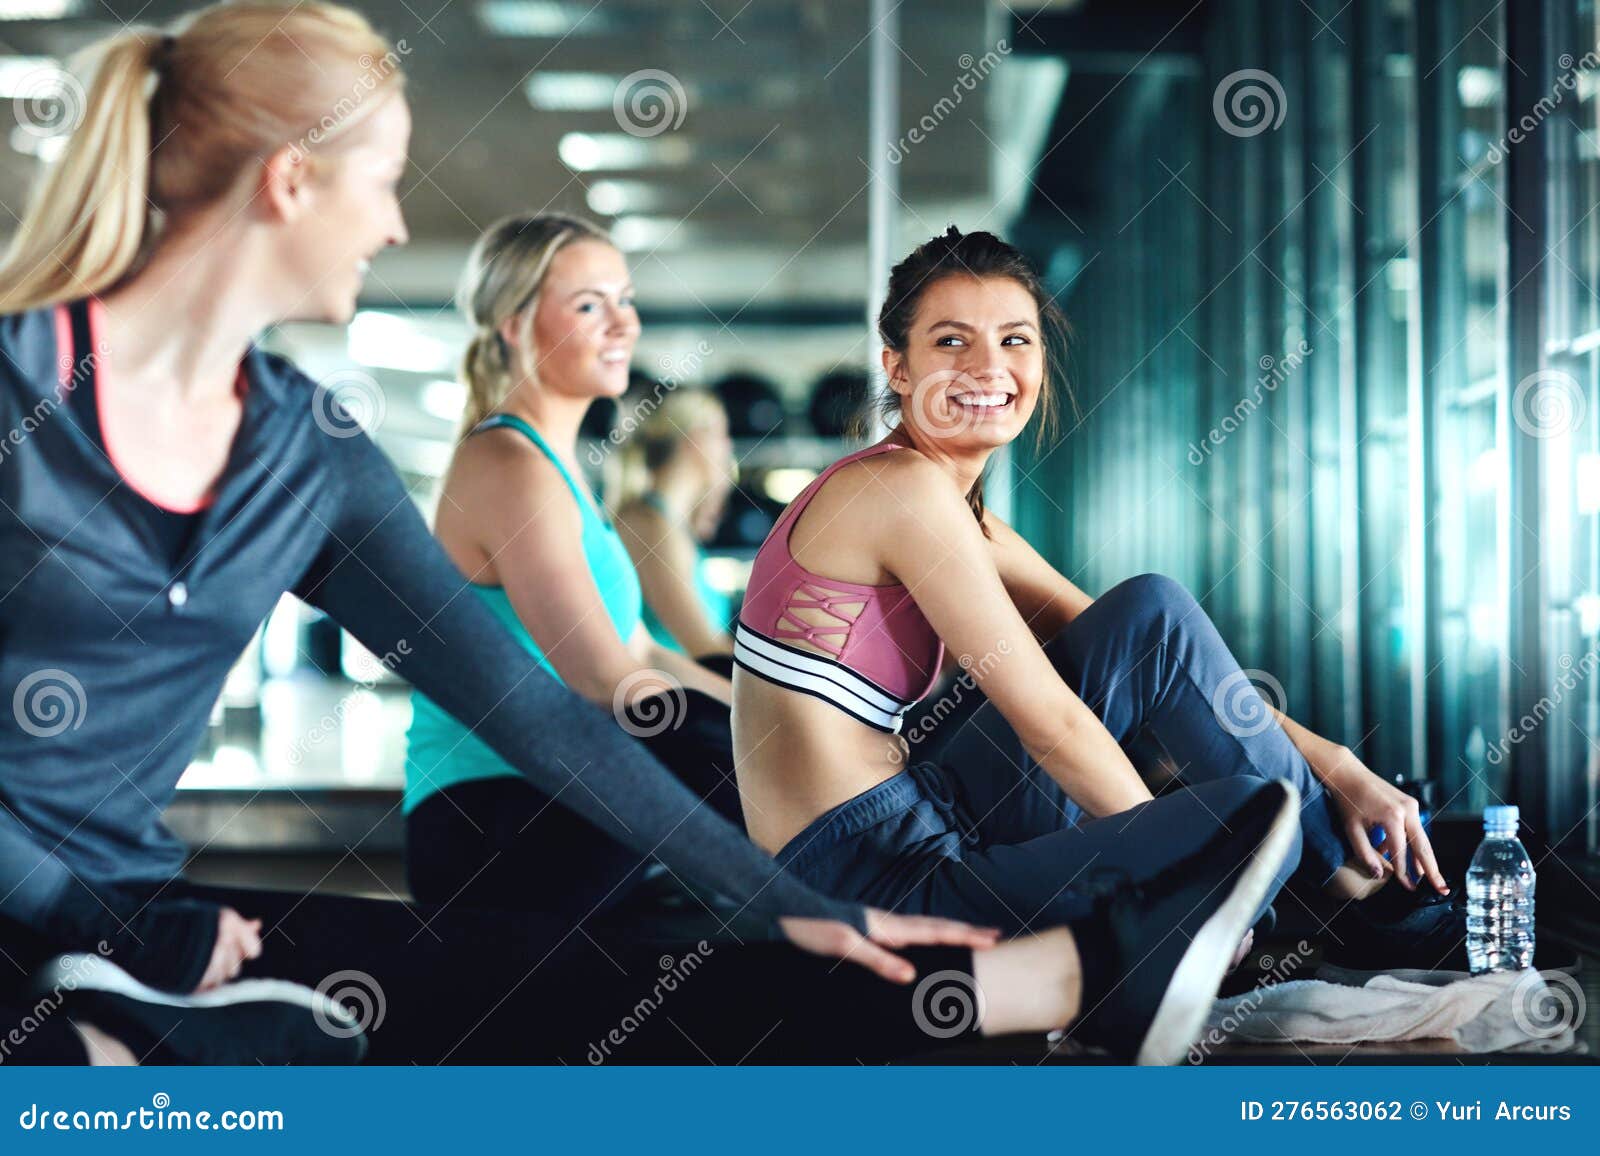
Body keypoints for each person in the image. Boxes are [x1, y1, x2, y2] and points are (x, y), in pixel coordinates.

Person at [0, 4, 1286, 1067]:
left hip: (133, 926)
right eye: (384, 182)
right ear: (290, 183)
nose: (397, 224)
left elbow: (540, 711)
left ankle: (1077, 971)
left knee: (595, 993)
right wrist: (77, 919)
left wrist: (798, 906)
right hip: (86, 929)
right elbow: (598, 683)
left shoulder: (300, 450)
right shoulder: (22, 393)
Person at [730, 226, 1462, 983]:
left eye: (1015, 340)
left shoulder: (949, 505)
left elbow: (1169, 654)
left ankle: (1365, 901)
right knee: (1247, 817)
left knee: (1152, 611)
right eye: (951, 342)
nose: (989, 367)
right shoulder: (901, 491)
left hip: (926, 809)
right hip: (870, 882)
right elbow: (1051, 725)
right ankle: (1366, 902)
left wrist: (1333, 761)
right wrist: (1185, 874)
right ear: (898, 366)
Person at [404, 215, 740, 914]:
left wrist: (773, 712)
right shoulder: (508, 463)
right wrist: (777, 748)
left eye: (625, 299)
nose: (624, 324)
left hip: (570, 789)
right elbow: (601, 678)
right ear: (515, 325)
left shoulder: (559, 468)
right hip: (496, 815)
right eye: (590, 305)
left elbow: (640, 648)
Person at [613, 387, 737, 660]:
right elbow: (704, 648)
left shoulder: (667, 525)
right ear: (696, 440)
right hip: (673, 697)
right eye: (722, 434)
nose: (729, 447)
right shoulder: (649, 527)